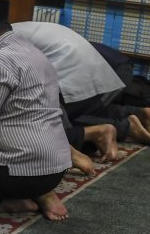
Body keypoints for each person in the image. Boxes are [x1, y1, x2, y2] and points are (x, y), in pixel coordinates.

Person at [0, 0, 72, 221]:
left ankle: (5, 201)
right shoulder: (29, 49)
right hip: (56, 167)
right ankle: (39, 194)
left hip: (16, 171)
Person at [11, 21, 135, 154]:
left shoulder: (4, 44)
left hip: (98, 74)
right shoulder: (13, 31)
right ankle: (128, 120)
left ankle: (112, 130)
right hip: (93, 72)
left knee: (31, 127)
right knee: (61, 119)